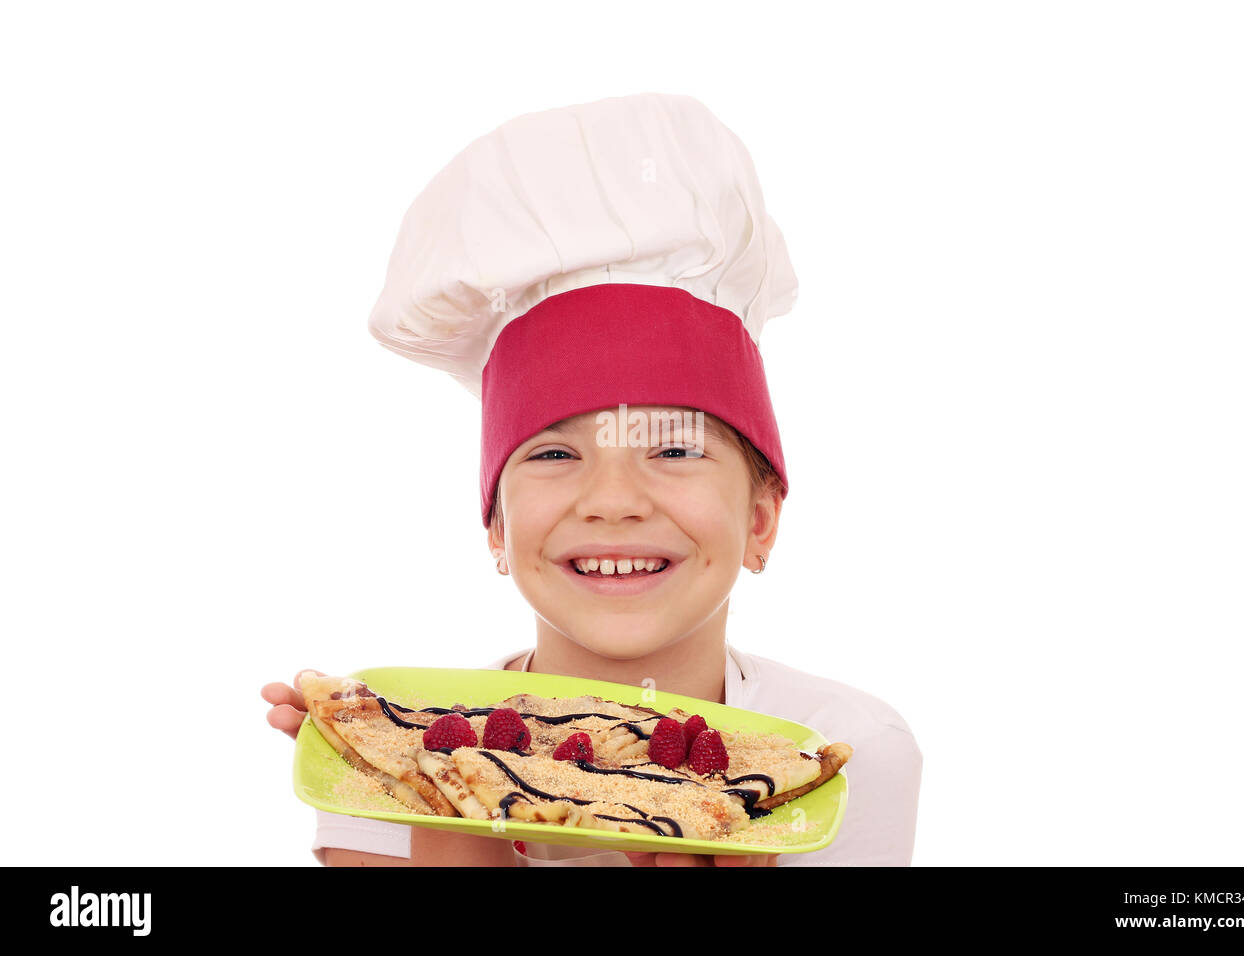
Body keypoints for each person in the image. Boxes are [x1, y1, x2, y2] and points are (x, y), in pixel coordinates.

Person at [262, 92, 922, 867]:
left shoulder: (846, 753)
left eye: (674, 450)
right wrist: (443, 823)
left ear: (761, 519)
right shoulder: (382, 760)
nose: (612, 501)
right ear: (498, 529)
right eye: (553, 453)